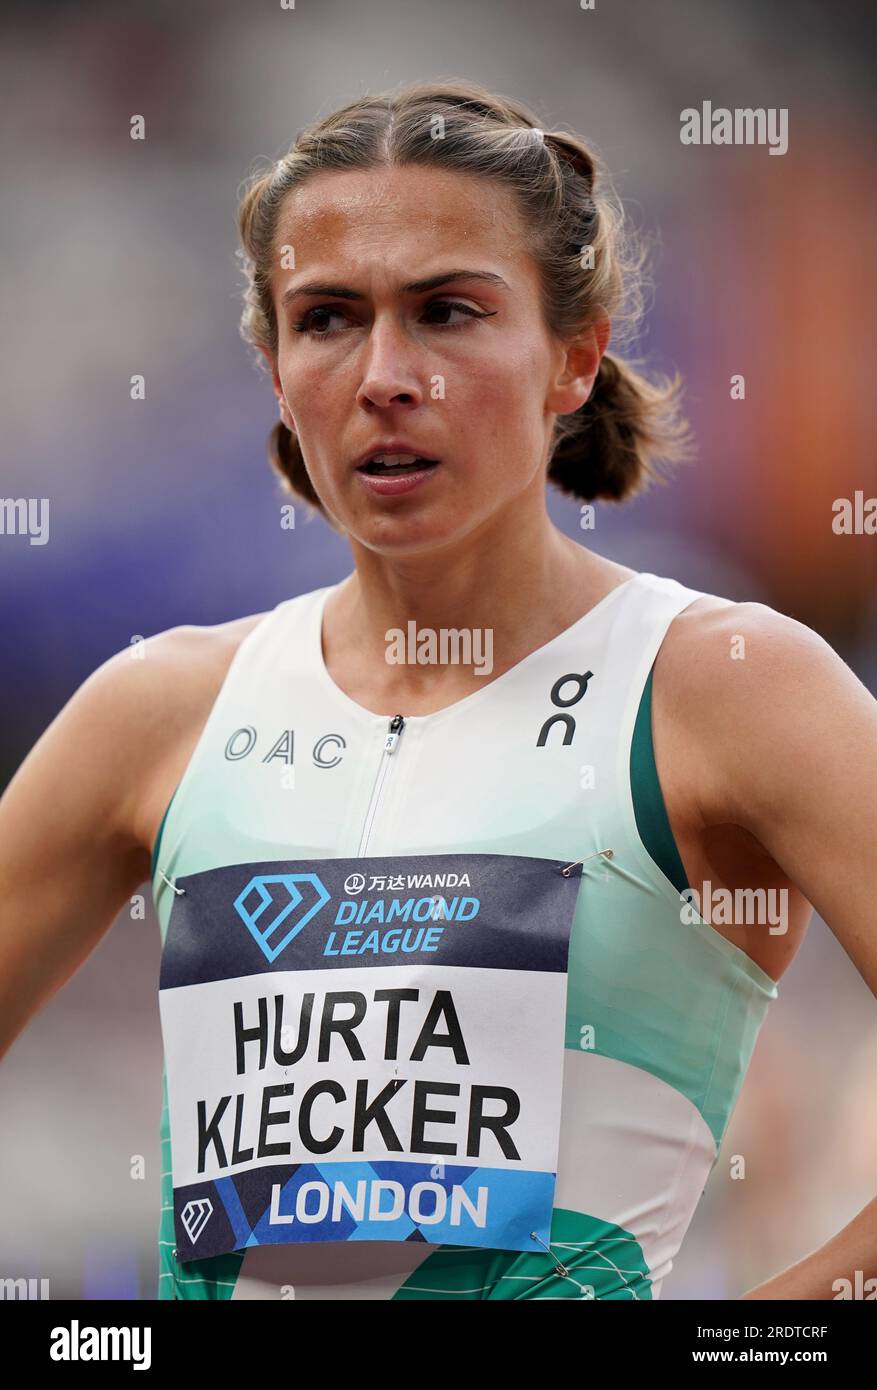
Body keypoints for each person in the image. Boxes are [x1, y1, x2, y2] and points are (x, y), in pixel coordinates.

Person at [1, 77, 875, 1302]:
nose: (384, 375)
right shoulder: (159, 708)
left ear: (575, 354)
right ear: (275, 371)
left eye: (448, 311)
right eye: (326, 318)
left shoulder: (723, 685)